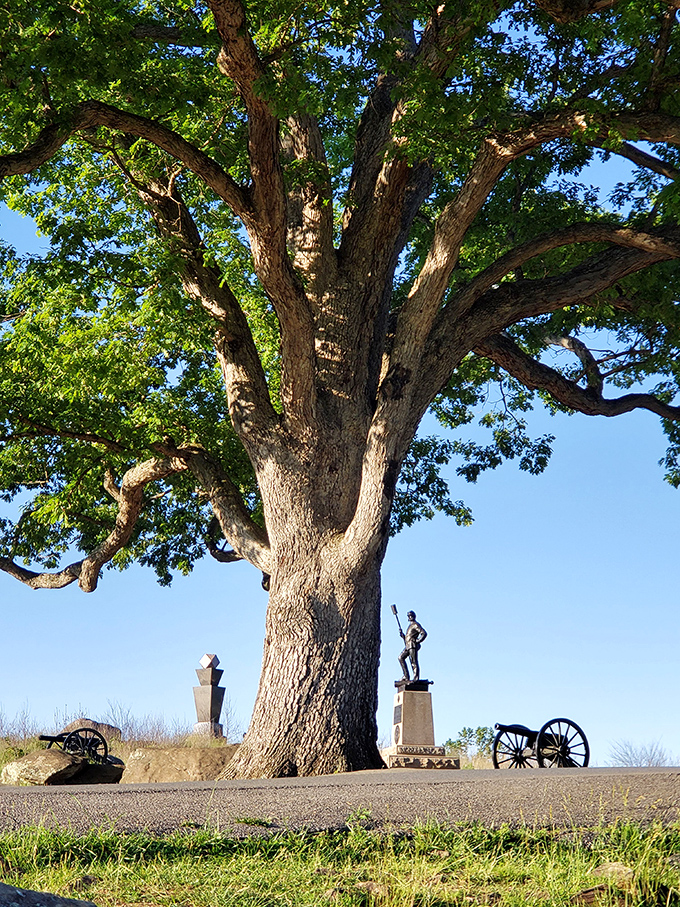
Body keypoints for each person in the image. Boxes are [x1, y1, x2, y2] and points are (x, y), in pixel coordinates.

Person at [398, 610, 427, 681]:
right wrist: (403, 636)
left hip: (412, 645)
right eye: (409, 616)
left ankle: (416, 678)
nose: (410, 617)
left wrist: (418, 641)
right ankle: (406, 676)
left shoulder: (415, 625)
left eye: (411, 616)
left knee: (413, 662)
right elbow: (409, 638)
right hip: (408, 646)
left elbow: (424, 633)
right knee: (400, 658)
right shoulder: (410, 626)